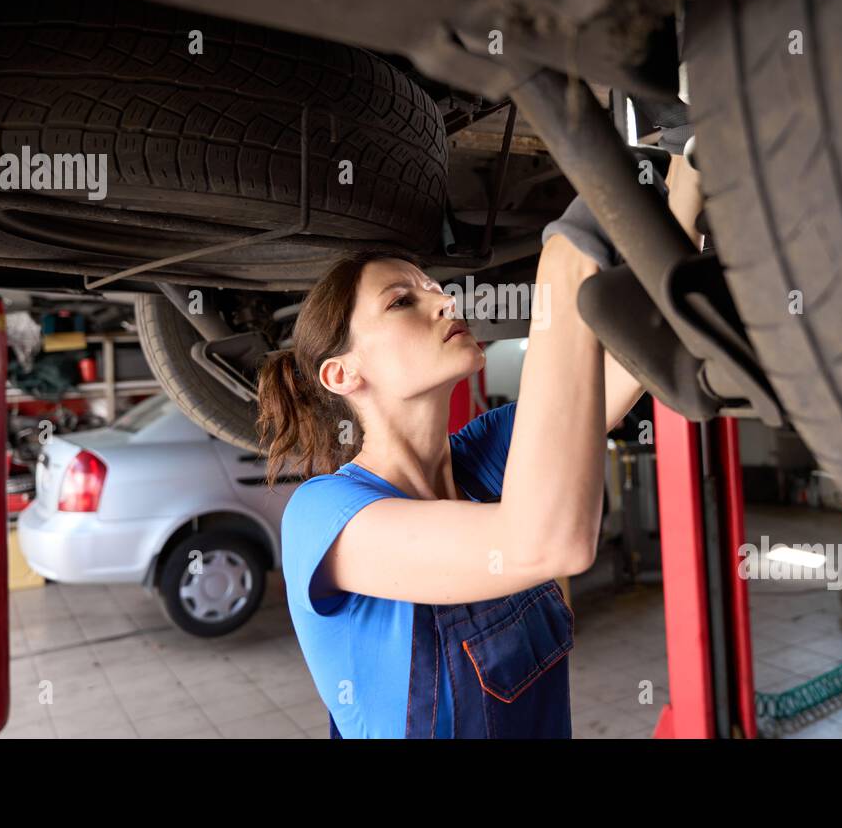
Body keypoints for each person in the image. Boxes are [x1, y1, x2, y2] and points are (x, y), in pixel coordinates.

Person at [256, 152, 704, 738]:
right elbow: (547, 544)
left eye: (434, 288)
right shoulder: (323, 515)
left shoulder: (485, 455)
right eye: (401, 300)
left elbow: (645, 351)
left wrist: (686, 163)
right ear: (342, 374)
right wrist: (565, 262)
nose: (445, 301)